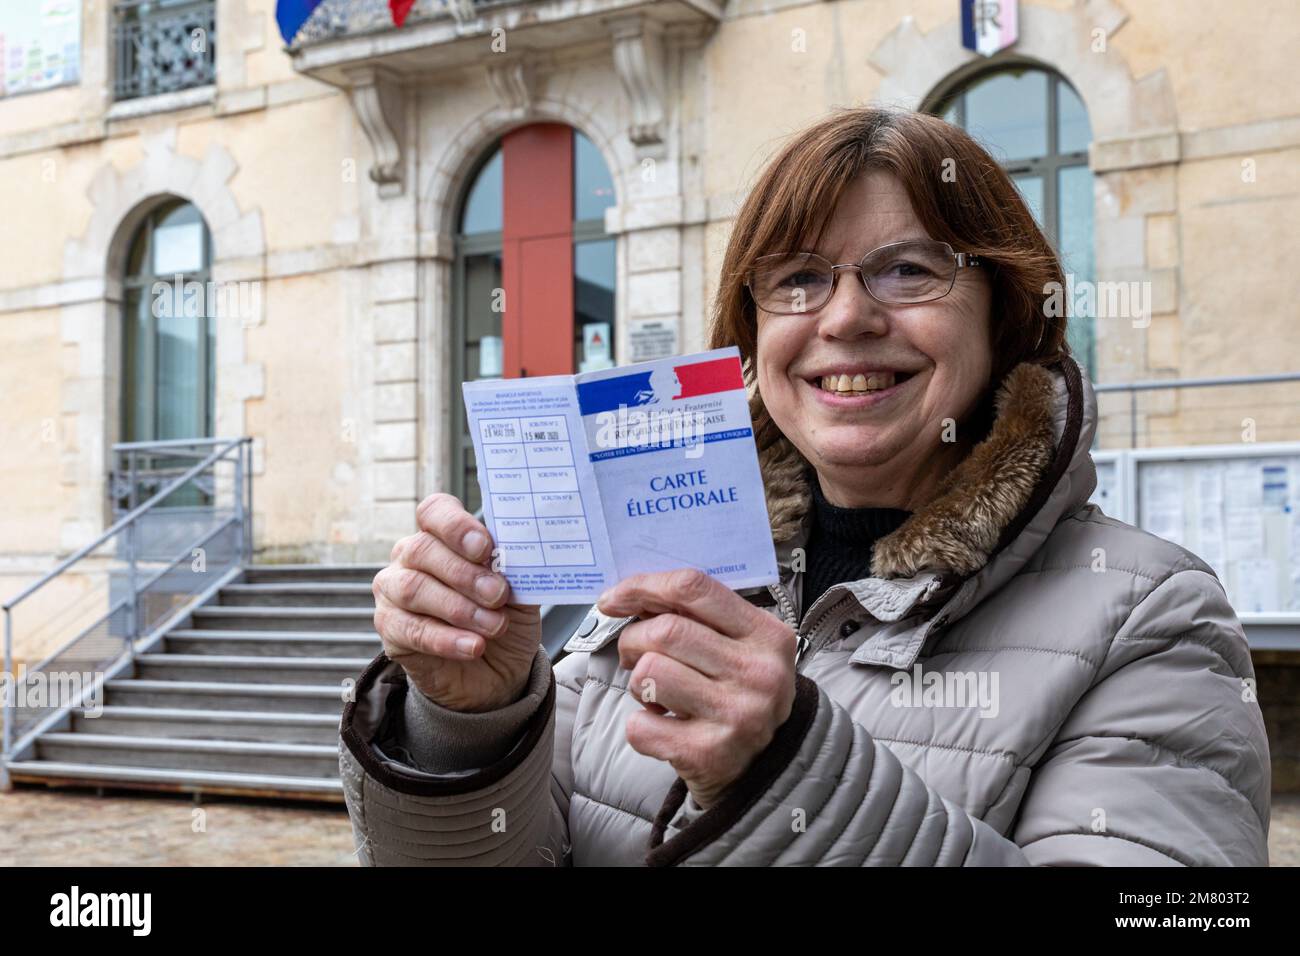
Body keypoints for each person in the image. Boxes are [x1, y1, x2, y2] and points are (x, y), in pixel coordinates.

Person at [341, 107, 1270, 866]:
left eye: (909, 270)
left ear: (1007, 309)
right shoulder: (667, 564)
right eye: (797, 279)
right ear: (751, 334)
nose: (847, 316)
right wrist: (468, 724)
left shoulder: (1151, 617)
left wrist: (790, 773)